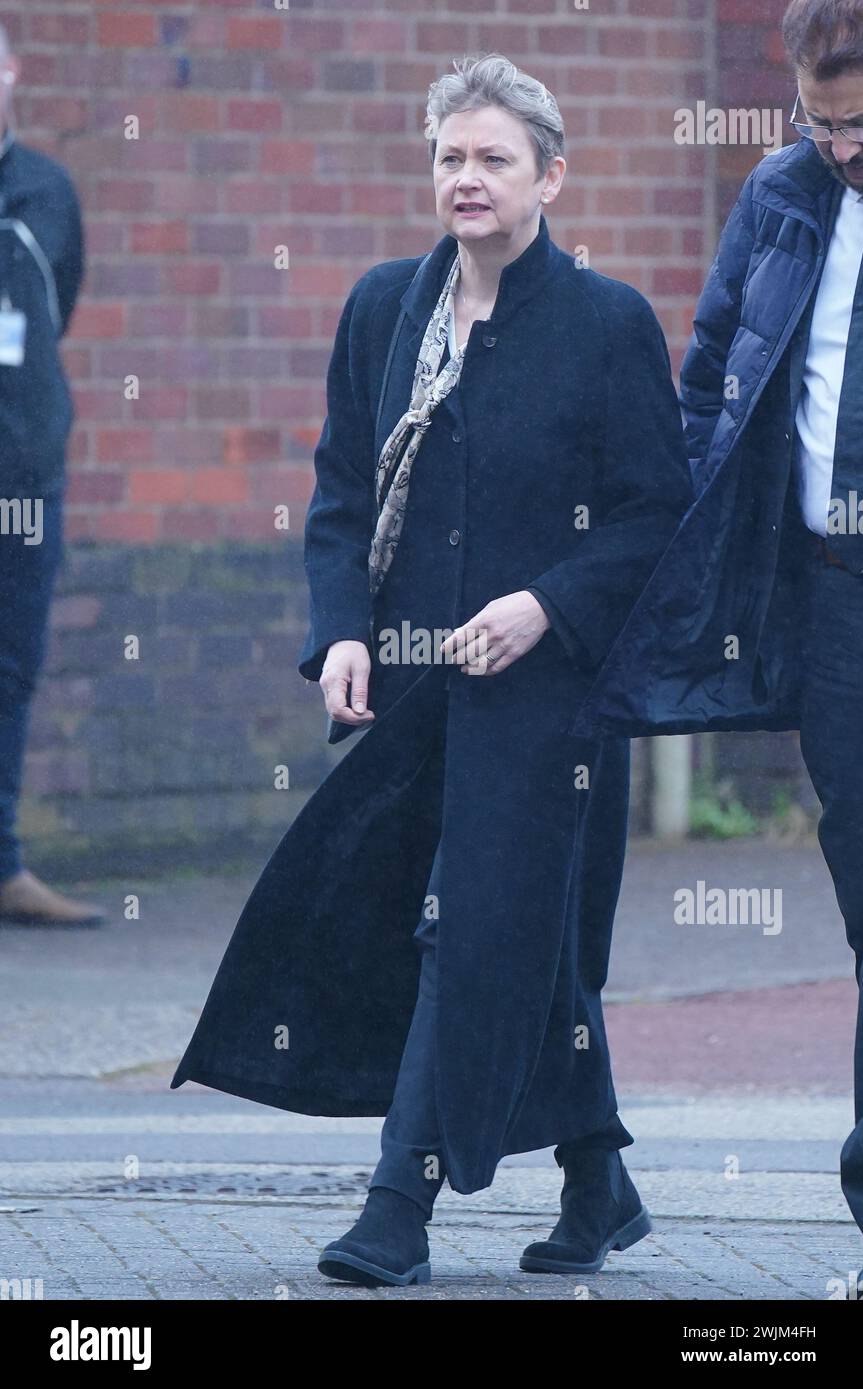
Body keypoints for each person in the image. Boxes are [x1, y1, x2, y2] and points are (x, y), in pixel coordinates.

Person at [170, 52, 693, 1287]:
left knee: (466, 925)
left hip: (549, 704)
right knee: (521, 939)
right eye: (449, 157)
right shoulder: (380, 309)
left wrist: (543, 606)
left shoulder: (606, 323)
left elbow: (654, 517)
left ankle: (394, 1209)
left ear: (548, 177)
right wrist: (341, 628)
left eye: (492, 159)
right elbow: (343, 494)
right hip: (412, 696)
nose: (466, 178)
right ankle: (597, 1186)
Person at [572, 0, 863, 1298]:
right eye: (823, 121)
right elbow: (708, 383)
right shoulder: (779, 192)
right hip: (831, 602)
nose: (846, 148)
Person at [0, 25, 104, 928]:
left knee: (11, 669)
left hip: (24, 479)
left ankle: (2, 866)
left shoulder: (48, 191)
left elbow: (53, 309)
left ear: (12, 70)